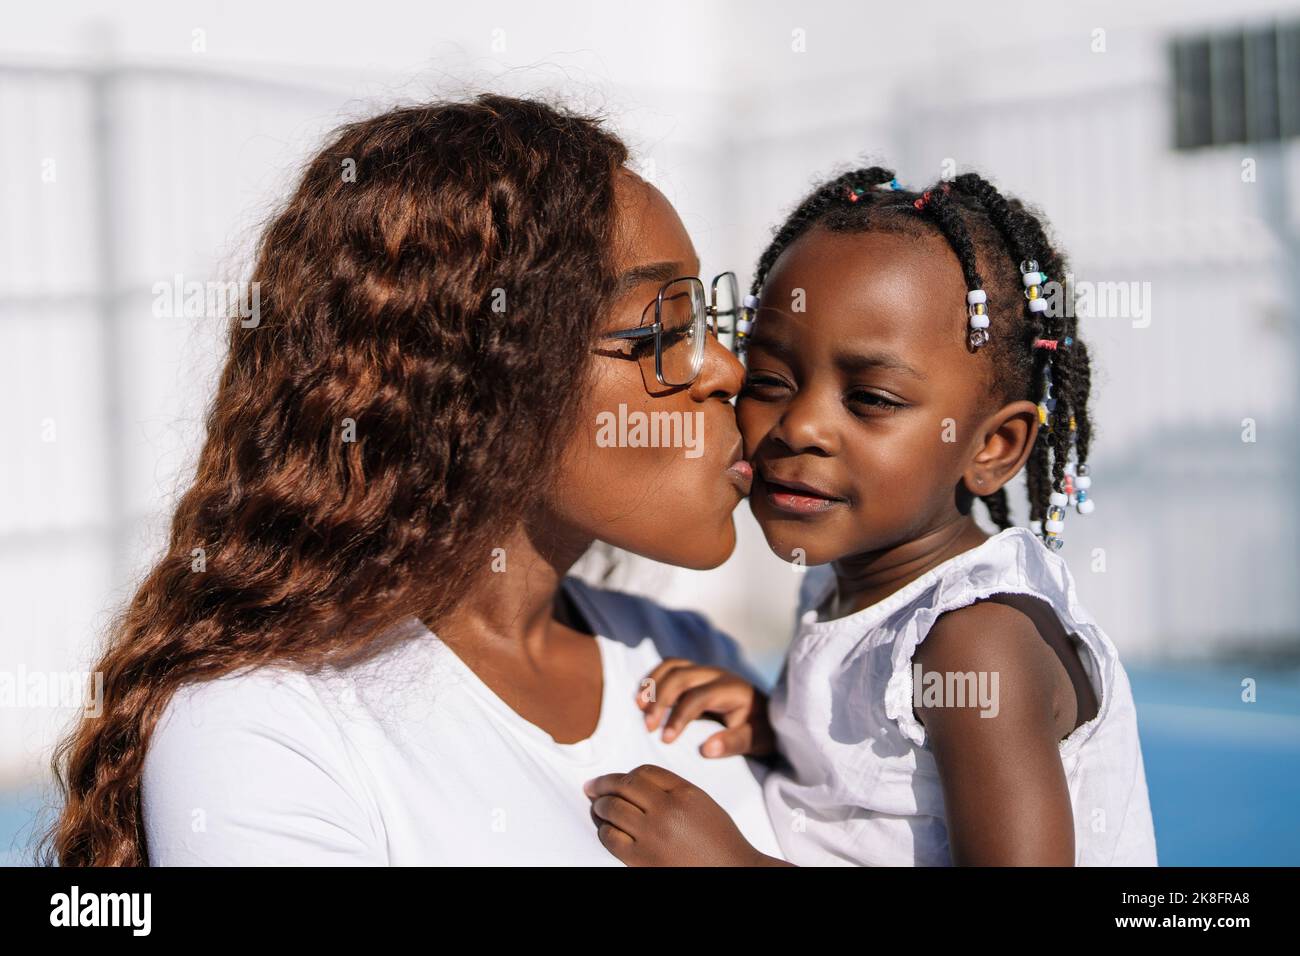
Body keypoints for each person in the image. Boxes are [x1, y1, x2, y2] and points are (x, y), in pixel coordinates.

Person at [42, 94, 781, 866]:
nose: (726, 368)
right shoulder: (268, 728)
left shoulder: (688, 662)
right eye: (664, 329)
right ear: (483, 374)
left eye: (710, 321)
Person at [585, 166, 1158, 867]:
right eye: (768, 382)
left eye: (873, 399)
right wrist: (783, 726)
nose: (801, 427)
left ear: (993, 446)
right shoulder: (845, 583)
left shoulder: (975, 642)